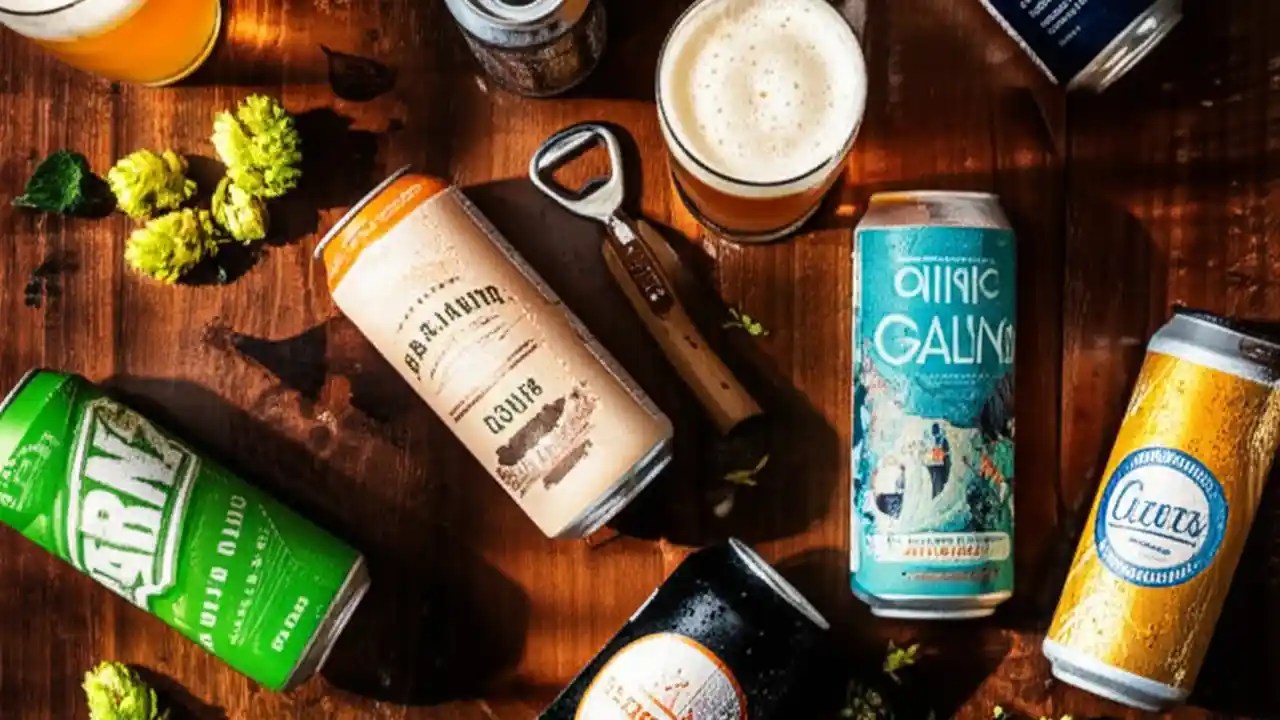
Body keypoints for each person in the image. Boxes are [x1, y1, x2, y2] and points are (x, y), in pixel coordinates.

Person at [926, 423, 950, 498]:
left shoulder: (942, 440)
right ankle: (936, 497)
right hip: (936, 465)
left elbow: (946, 453)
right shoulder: (937, 439)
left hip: (939, 465)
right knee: (936, 484)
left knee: (937, 484)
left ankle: (936, 496)